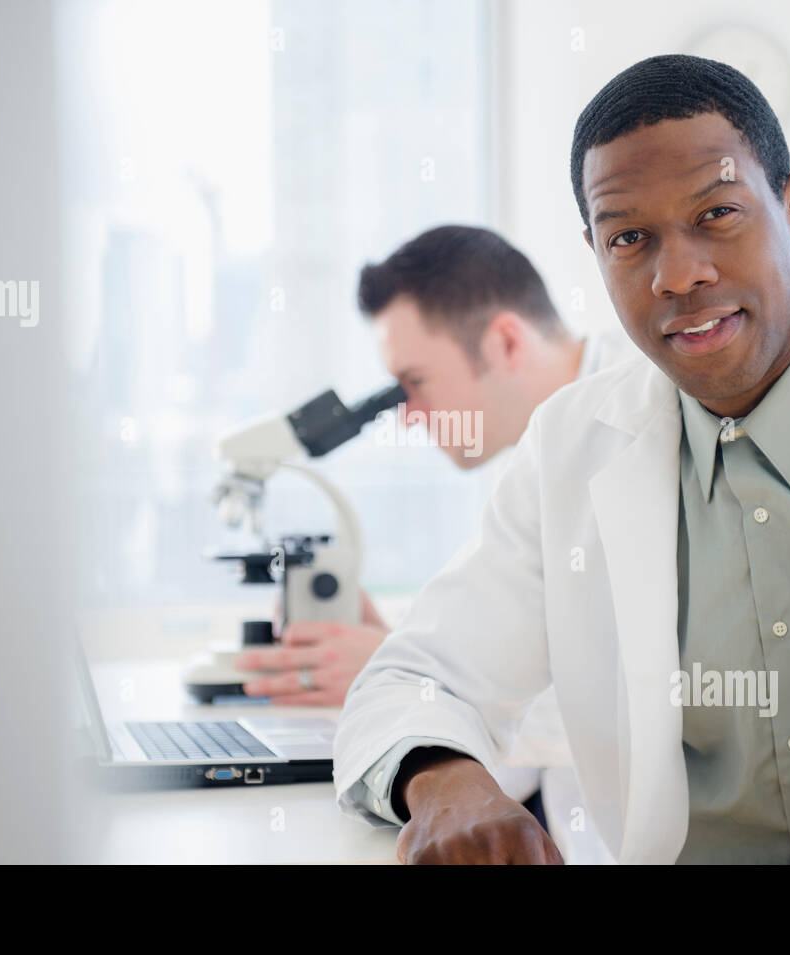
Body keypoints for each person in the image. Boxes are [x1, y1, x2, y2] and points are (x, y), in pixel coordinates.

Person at [332, 54, 790, 864]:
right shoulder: (569, 450)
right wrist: (448, 780)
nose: (678, 273)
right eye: (629, 237)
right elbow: (412, 678)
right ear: (596, 251)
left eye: (717, 213)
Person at [233, 225, 636, 863]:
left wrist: (426, 695)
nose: (409, 415)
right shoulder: (535, 461)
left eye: (414, 383)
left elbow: (648, 702)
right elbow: (522, 668)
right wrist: (406, 661)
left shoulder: (637, 419)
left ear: (505, 341)